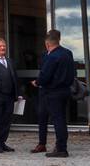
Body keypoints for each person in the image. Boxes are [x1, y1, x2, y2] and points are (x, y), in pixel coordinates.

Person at [31, 29, 75, 158]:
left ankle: (61, 148)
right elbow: (72, 72)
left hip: (51, 92)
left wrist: (37, 82)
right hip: (64, 90)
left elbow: (45, 75)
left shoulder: (52, 56)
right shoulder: (67, 53)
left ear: (47, 44)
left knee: (58, 120)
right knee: (57, 118)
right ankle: (45, 144)